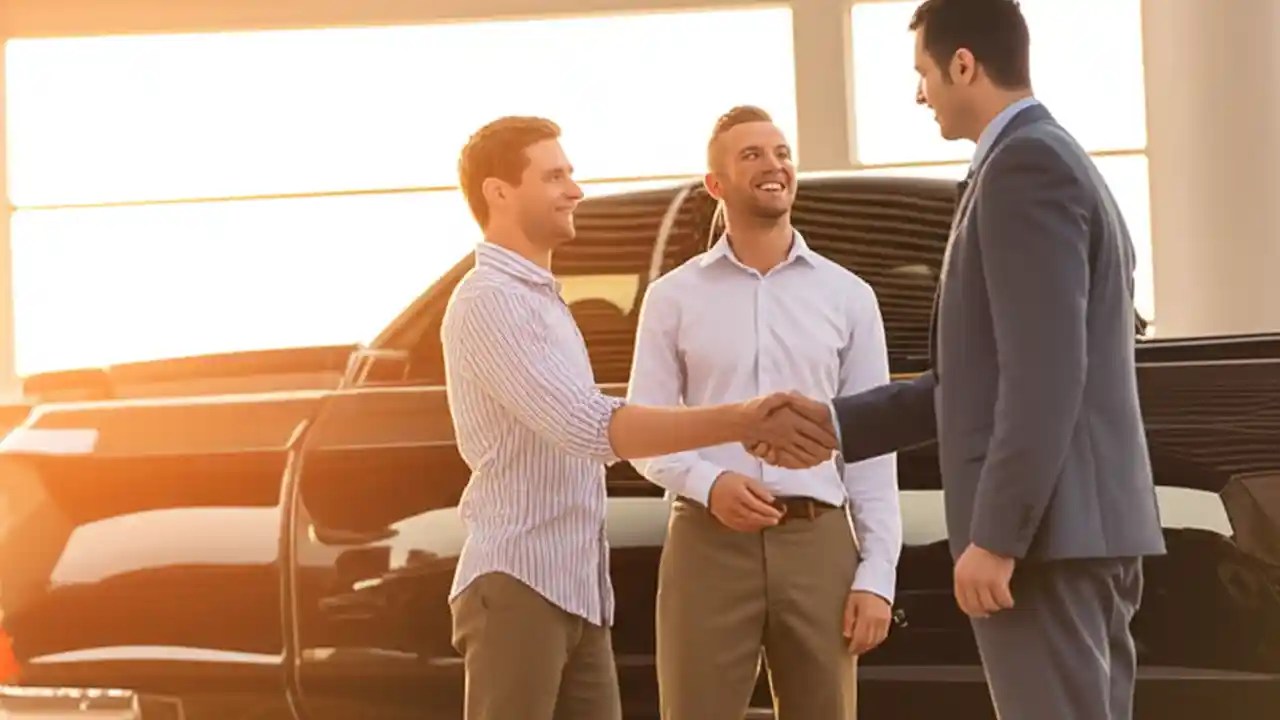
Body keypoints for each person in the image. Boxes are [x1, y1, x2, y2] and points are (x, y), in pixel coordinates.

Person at [751, 1, 1165, 718]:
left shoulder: (1025, 167)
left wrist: (998, 537)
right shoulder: (1045, 160)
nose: (921, 94)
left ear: (964, 64)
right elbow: (982, 379)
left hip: (1044, 548)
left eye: (925, 74)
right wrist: (835, 424)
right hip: (1070, 535)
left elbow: (1045, 376)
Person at [440, 115, 837, 720]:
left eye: (570, 174)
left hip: (575, 590)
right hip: (518, 584)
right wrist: (742, 420)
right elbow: (585, 426)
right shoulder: (488, 301)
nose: (575, 190)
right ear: (499, 192)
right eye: (554, 176)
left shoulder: (541, 301)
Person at [626, 105, 901, 720]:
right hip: (706, 540)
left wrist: (876, 573)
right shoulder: (672, 299)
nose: (774, 164)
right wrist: (710, 482)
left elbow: (872, 446)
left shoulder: (848, 297)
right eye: (752, 154)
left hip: (820, 542)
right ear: (715, 185)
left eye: (781, 153)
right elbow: (644, 432)